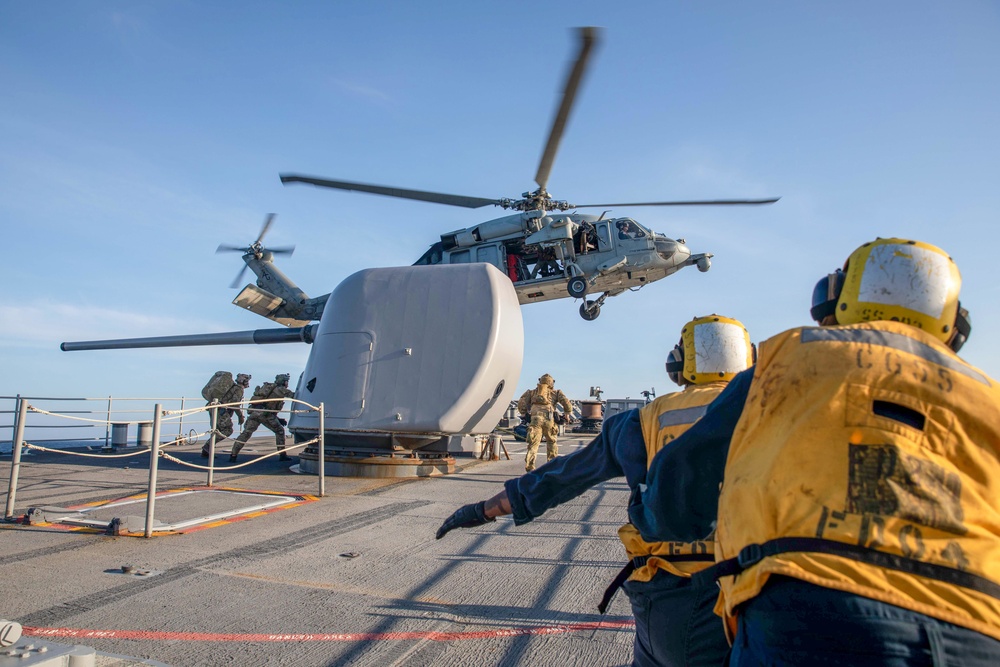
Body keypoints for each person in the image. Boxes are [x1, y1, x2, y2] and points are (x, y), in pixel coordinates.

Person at [629, 237, 1000, 665]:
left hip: (810, 613)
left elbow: (679, 494)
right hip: (976, 626)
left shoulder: (786, 362)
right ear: (955, 325)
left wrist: (650, 517)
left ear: (833, 299)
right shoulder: (987, 397)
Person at [437, 316, 755, 667]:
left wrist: (484, 509)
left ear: (678, 366)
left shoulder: (643, 421)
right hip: (752, 587)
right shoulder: (770, 412)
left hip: (667, 594)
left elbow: (564, 476)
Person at [230, 373, 296, 462]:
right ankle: (282, 455)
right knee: (280, 431)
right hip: (265, 415)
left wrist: (278, 419)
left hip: (255, 413)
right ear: (284, 382)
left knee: (246, 433)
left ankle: (233, 455)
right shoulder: (281, 390)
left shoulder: (269, 388)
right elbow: (294, 396)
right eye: (287, 381)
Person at [516, 373, 574, 472]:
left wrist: (524, 413)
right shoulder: (556, 392)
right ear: (552, 383)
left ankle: (530, 467)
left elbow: (522, 403)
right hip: (549, 420)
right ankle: (552, 468)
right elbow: (566, 402)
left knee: (533, 444)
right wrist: (567, 414)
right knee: (551, 443)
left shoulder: (532, 392)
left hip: (535, 420)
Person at [201, 372, 251, 457]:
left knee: (217, 429)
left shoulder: (233, 387)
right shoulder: (239, 389)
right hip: (222, 410)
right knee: (227, 430)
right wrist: (240, 416)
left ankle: (208, 449)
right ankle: (207, 447)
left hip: (215, 408)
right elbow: (235, 404)